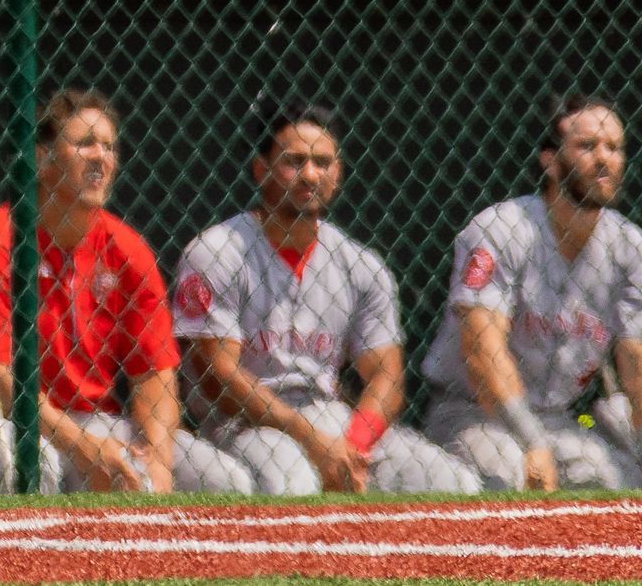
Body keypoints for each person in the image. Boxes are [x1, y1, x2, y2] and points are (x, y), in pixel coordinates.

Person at [0, 89, 252, 495]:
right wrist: (85, 449)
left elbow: (154, 374)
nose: (101, 157)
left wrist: (157, 457)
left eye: (109, 146)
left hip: (96, 421)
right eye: (84, 144)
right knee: (38, 468)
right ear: (42, 157)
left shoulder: (128, 249)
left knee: (227, 483)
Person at [173, 106, 481, 495]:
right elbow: (218, 376)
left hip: (334, 418)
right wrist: (312, 440)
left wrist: (355, 444)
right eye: (294, 162)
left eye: (323, 162)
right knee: (291, 485)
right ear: (260, 170)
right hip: (246, 425)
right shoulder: (215, 251)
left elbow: (386, 374)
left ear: (338, 174)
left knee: (454, 483)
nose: (311, 175)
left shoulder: (359, 263)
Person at [421, 95, 642, 492]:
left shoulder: (630, 246)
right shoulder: (500, 229)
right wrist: (532, 443)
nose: (603, 159)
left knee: (613, 481)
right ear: (550, 161)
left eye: (614, 148)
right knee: (510, 473)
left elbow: (641, 363)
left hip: (560, 420)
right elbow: (482, 351)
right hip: (473, 414)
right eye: (587, 146)